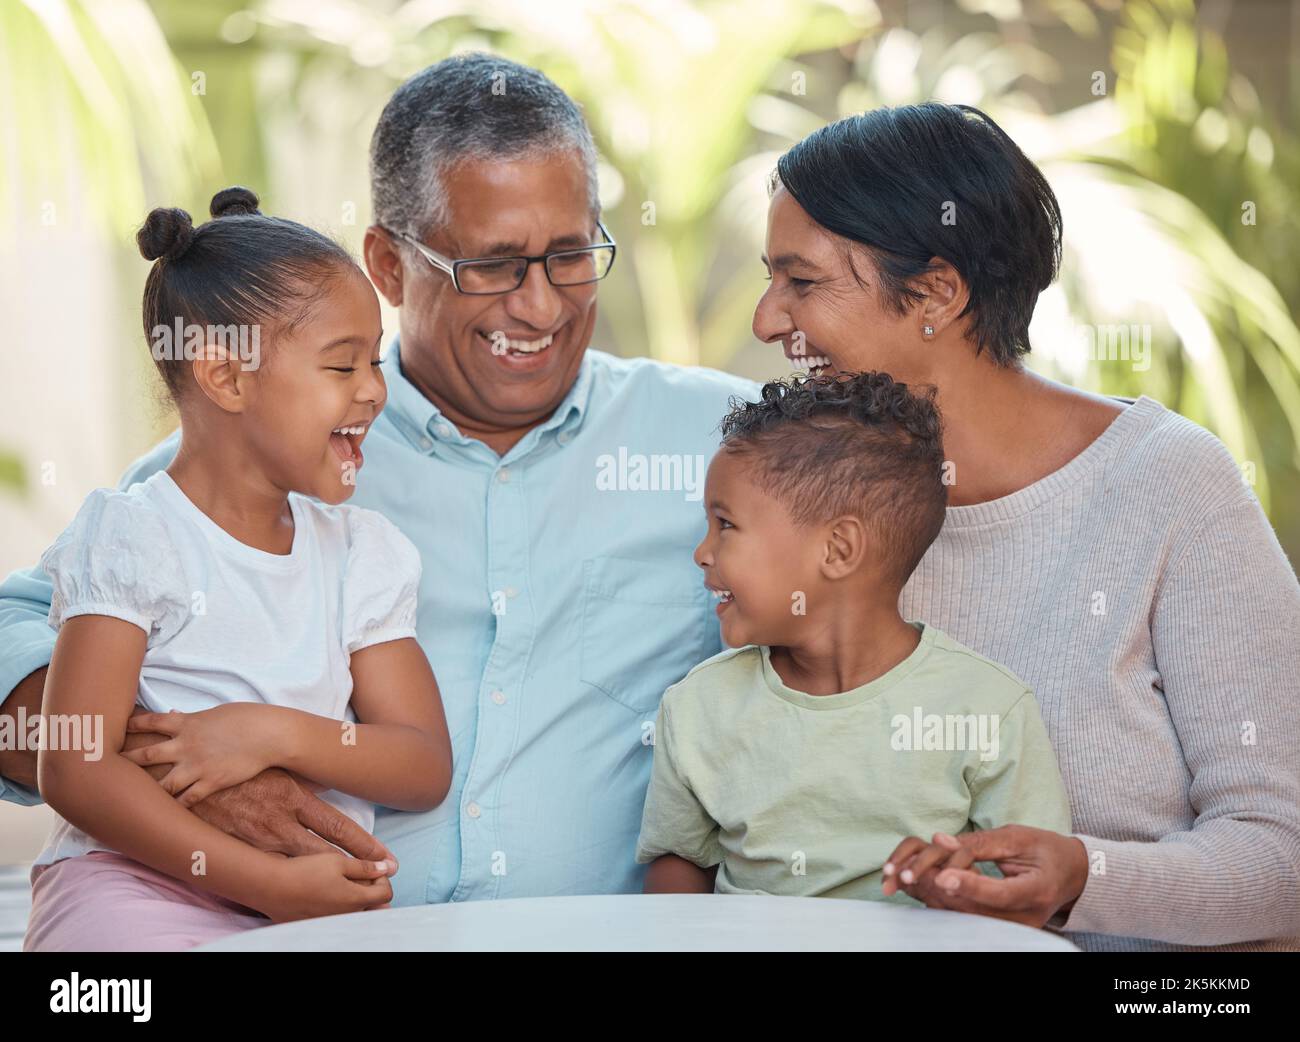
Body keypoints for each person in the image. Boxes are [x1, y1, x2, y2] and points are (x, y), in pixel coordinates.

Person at [0, 54, 757, 908]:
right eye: (494, 265)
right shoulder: (263, 453)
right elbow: (15, 635)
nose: (542, 307)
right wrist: (182, 774)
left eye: (570, 256)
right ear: (390, 266)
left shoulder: (728, 444)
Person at [752, 102, 1300, 951]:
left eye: (802, 281)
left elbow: (1284, 851)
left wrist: (1087, 878)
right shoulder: (792, 505)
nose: (766, 319)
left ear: (936, 291)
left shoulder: (1169, 486)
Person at [22, 188, 453, 951]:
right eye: (341, 364)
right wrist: (263, 884)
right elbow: (74, 763)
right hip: (136, 888)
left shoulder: (359, 554)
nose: (374, 389)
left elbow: (420, 760)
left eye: (375, 361)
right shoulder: (133, 535)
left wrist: (269, 733)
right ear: (227, 378)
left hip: (313, 898)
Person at [637, 372, 1072, 900]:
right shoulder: (697, 707)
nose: (702, 552)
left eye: (725, 525)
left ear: (838, 549)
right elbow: (678, 856)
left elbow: (1032, 889)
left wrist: (955, 888)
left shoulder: (986, 710)